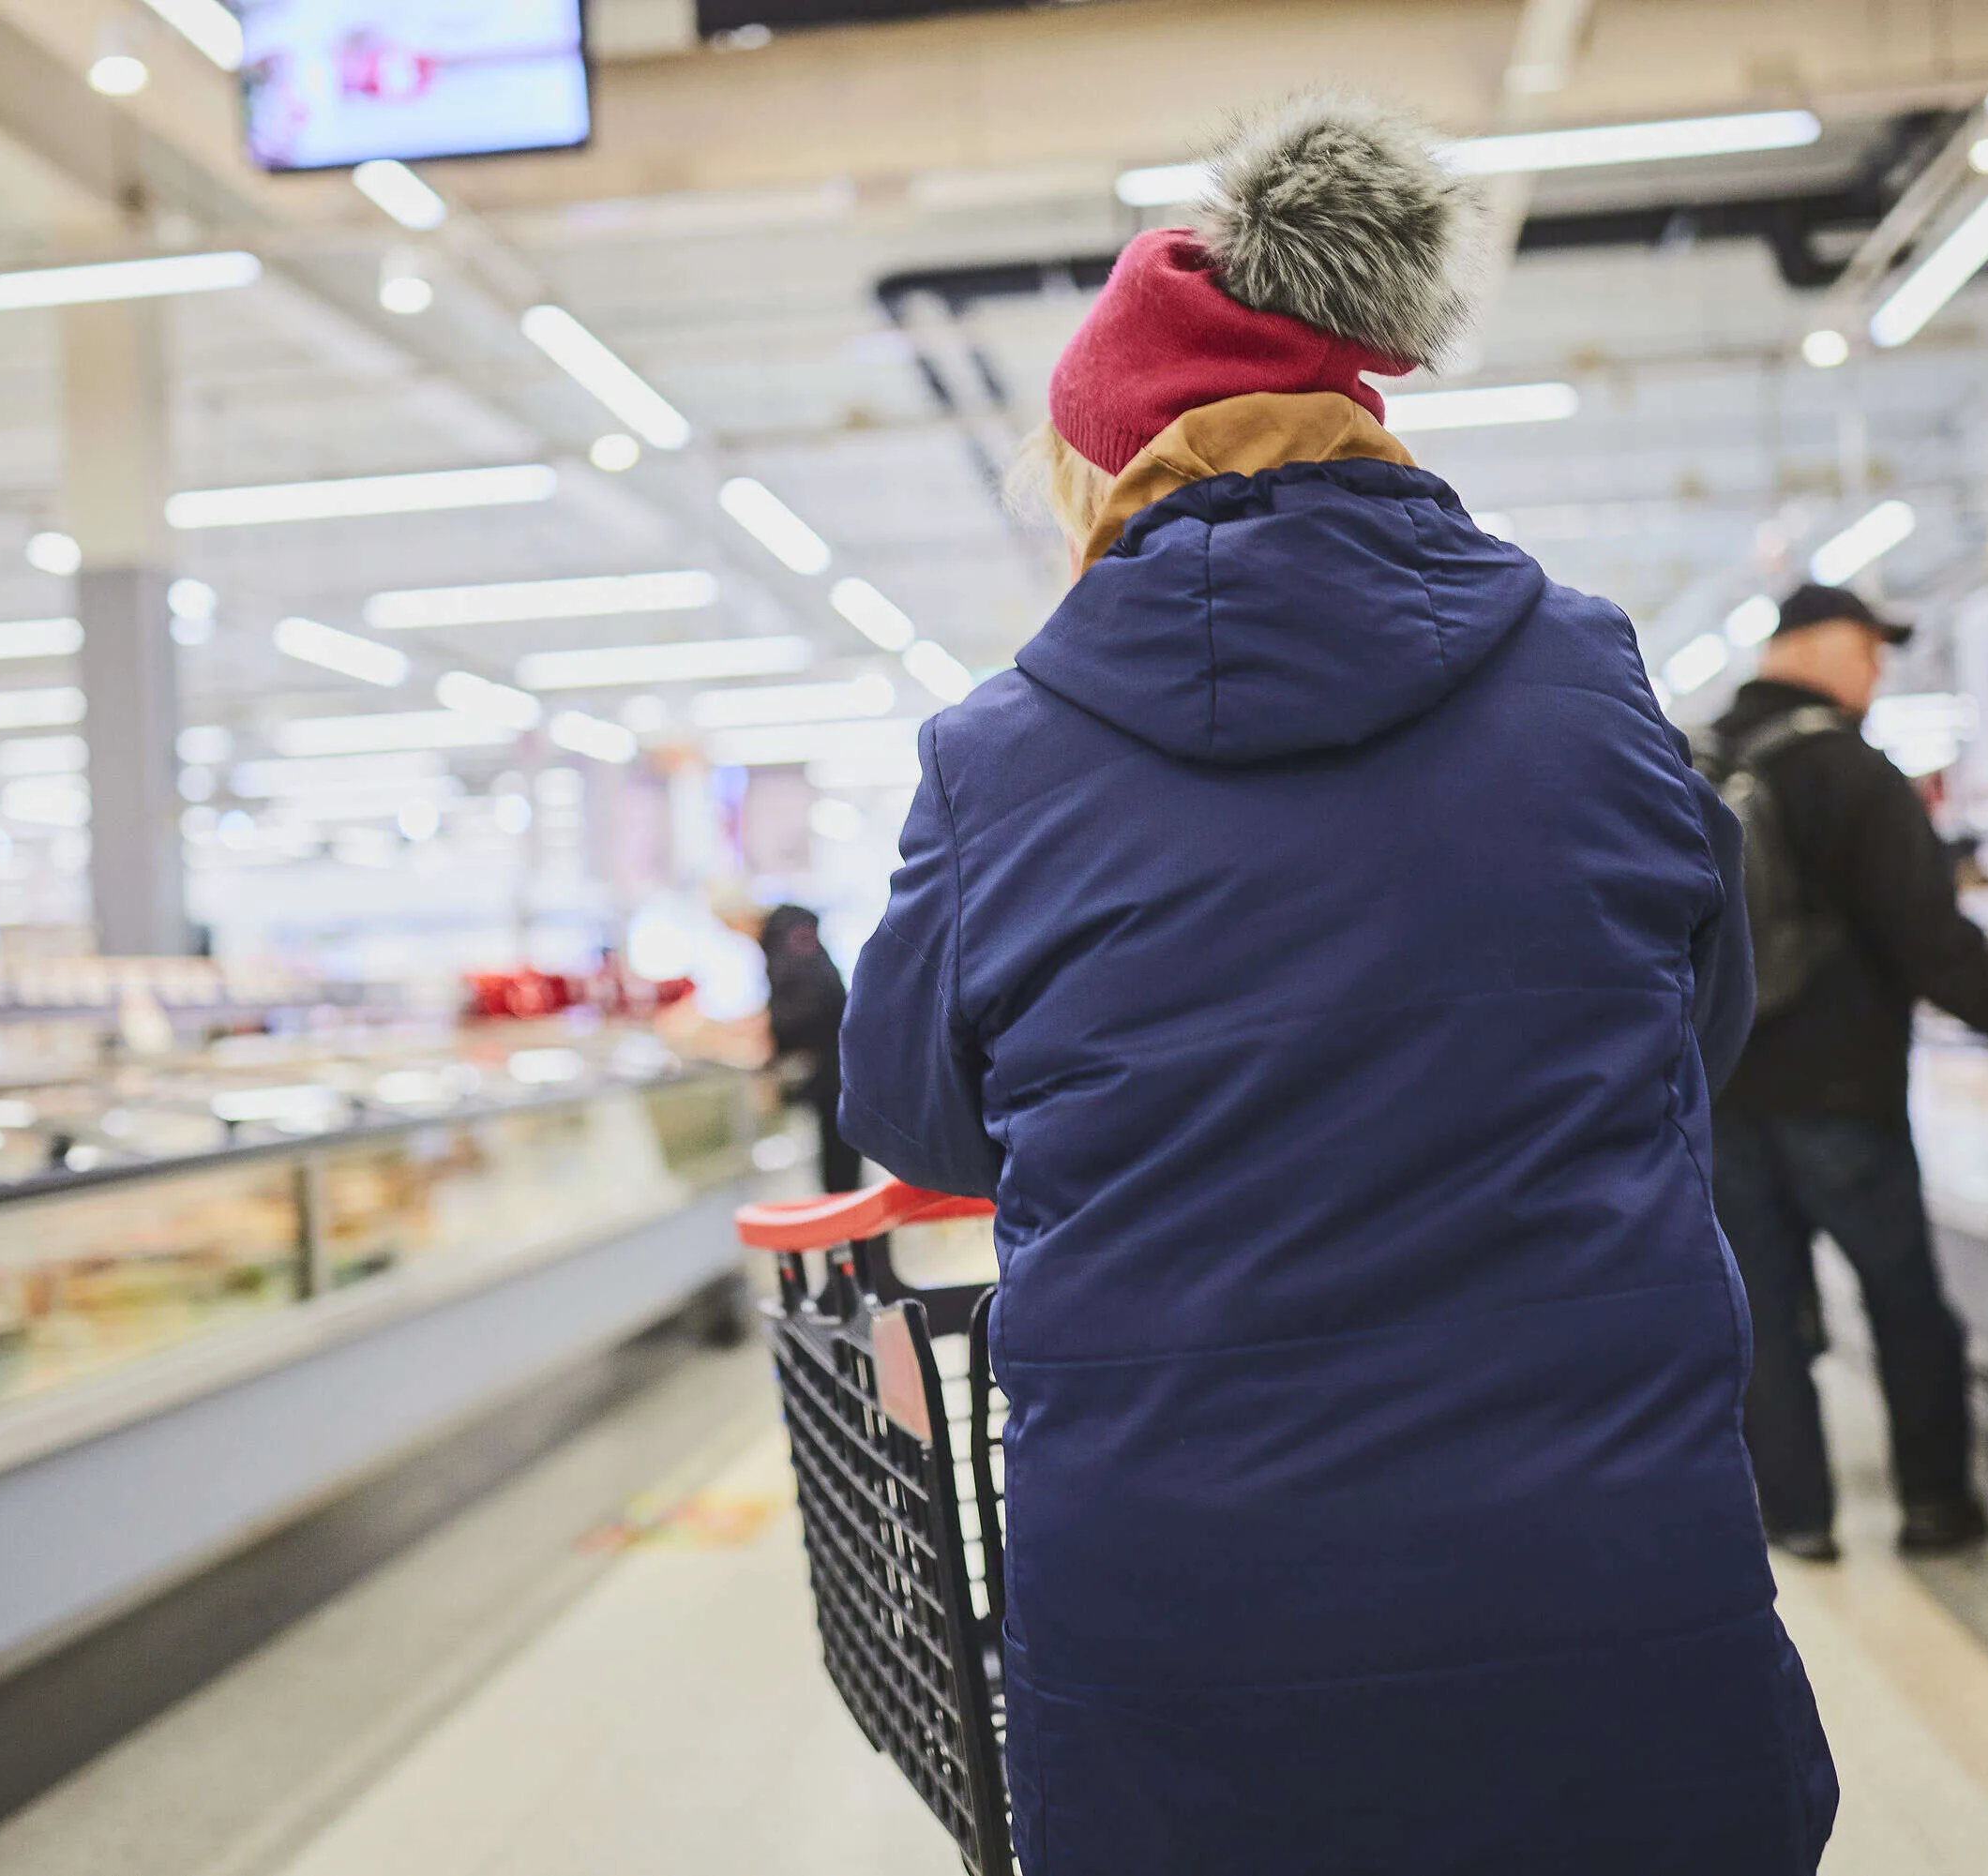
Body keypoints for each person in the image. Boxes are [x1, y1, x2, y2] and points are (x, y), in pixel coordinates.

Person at [839, 94, 1832, 1876]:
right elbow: (1700, 1024)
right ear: (1361, 416)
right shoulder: (1589, 675)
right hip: (1604, 1556)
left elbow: (916, 1113)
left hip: (1180, 1610)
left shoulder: (996, 759)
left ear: (1103, 470)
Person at [1704, 582, 1988, 1562]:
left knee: (1767, 1325)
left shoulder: (1689, 759)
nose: (1877, 672)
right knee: (1904, 1303)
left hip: (1725, 1092)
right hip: (1844, 1094)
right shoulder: (1849, 770)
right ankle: (1933, 1505)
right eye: (1870, 652)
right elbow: (1928, 936)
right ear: (1821, 647)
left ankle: (1793, 1516)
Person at [720, 896, 857, 1193]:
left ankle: (851, 1233)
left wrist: (771, 1028)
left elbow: (818, 1000)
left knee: (842, 1166)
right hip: (835, 1064)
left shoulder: (786, 938)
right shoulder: (785, 938)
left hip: (835, 1066)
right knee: (838, 1163)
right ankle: (848, 1231)